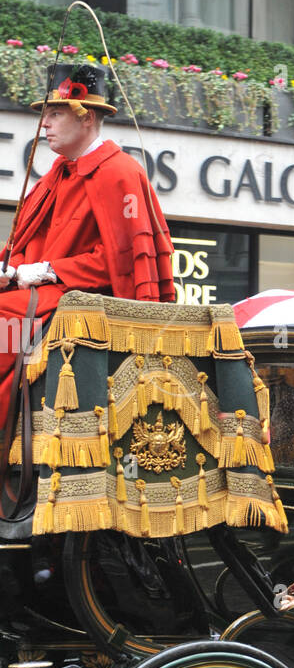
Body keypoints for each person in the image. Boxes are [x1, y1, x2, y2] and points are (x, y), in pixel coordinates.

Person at [0, 61, 175, 430]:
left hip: (72, 300)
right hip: (38, 294)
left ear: (86, 118)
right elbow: (23, 241)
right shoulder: (58, 171)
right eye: (45, 115)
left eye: (56, 113)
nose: (44, 123)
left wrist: (44, 271)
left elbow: (122, 261)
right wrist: (7, 269)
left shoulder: (121, 172)